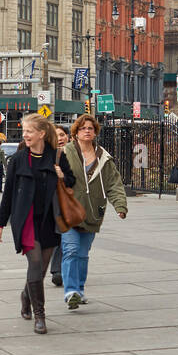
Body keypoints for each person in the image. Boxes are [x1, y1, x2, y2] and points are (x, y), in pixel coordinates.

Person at [0, 114, 76, 334]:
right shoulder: (18, 160)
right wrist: (0, 223)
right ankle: (40, 315)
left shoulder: (57, 156)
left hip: (50, 220)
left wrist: (62, 176)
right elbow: (8, 192)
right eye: (24, 132)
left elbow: (72, 182)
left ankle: (25, 295)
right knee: (35, 262)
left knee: (41, 269)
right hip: (26, 220)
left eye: (29, 131)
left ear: (41, 133)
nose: (25, 135)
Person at [60, 113, 128, 310]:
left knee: (82, 254)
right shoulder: (65, 153)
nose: (87, 131)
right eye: (83, 128)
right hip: (68, 211)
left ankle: (79, 290)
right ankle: (70, 291)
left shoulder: (103, 157)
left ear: (95, 131)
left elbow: (114, 184)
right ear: (76, 132)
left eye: (90, 128)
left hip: (91, 213)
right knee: (71, 250)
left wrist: (120, 206)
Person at [49, 125, 71, 287]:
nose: (60, 138)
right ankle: (57, 271)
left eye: (62, 135)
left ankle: (70, 268)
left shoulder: (77, 155)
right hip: (54, 201)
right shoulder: (48, 156)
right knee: (60, 234)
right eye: (56, 136)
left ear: (68, 137)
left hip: (74, 201)